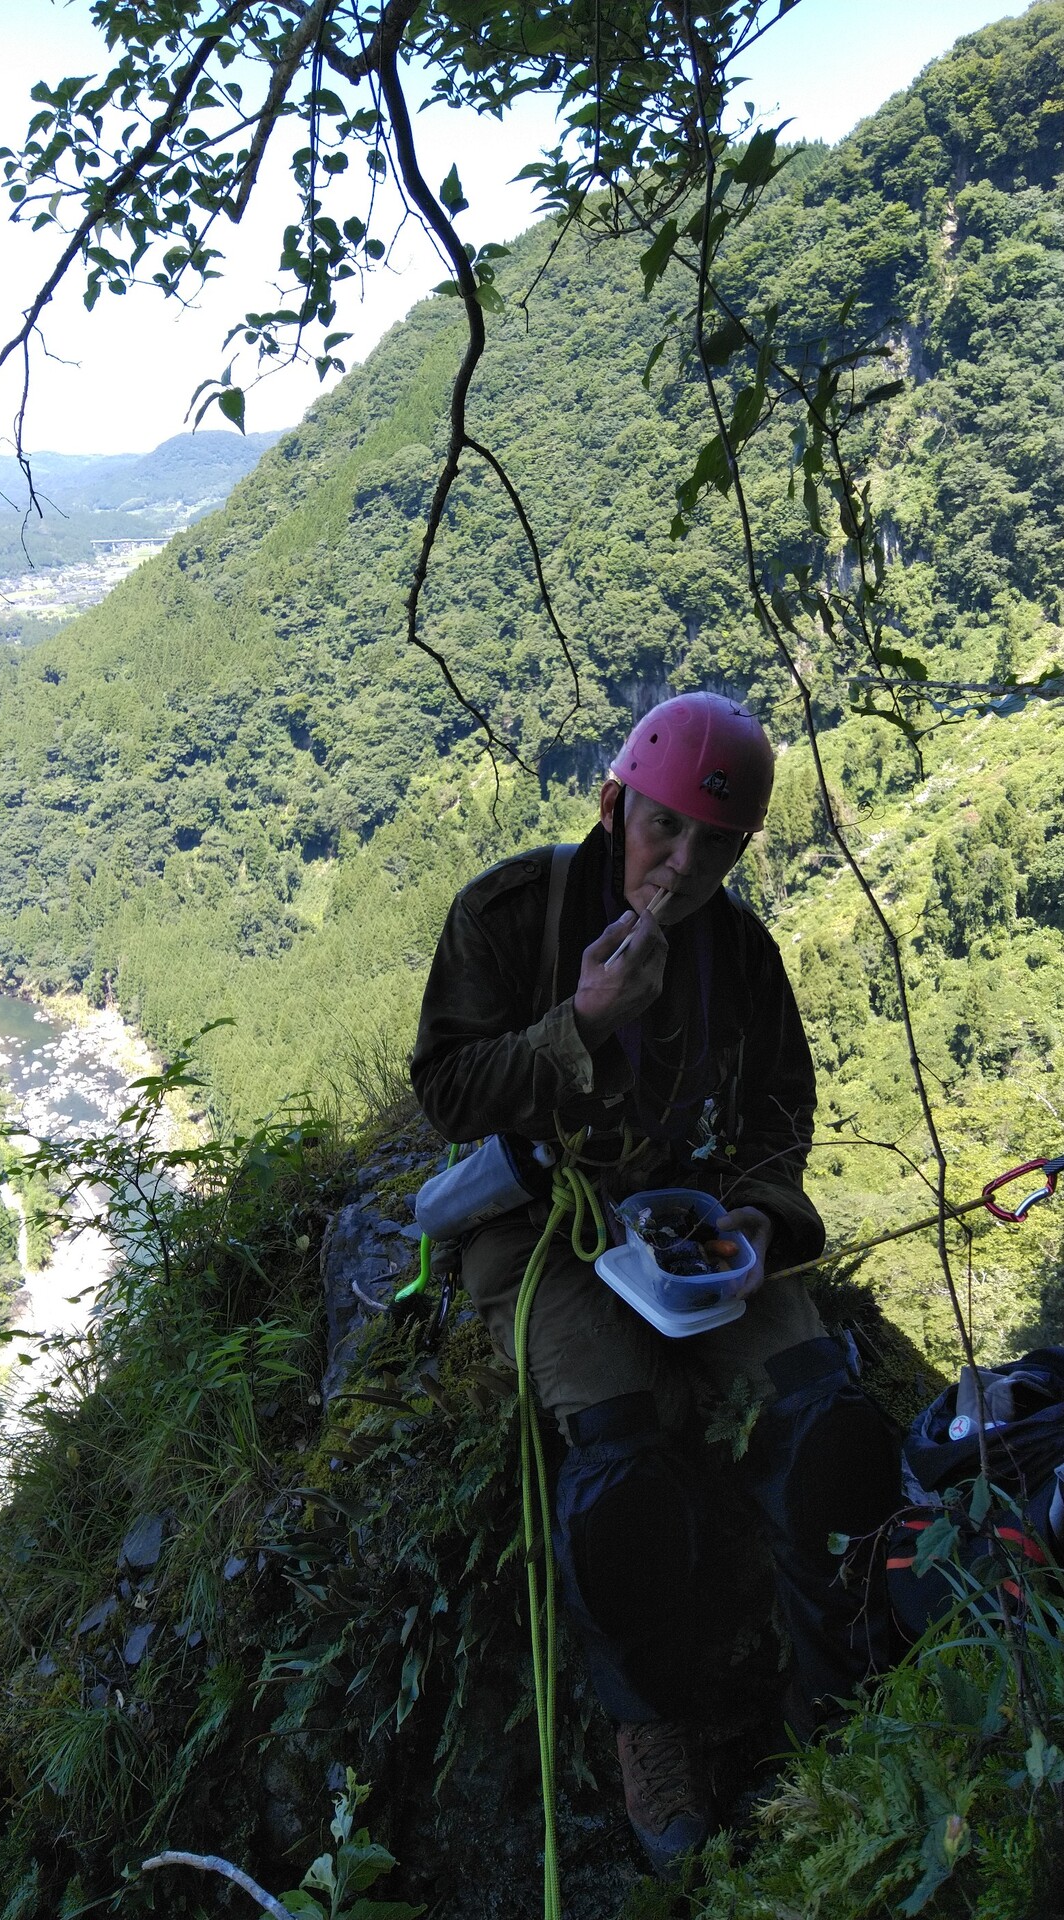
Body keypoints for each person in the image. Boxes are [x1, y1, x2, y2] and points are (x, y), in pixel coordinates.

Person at [411, 692, 898, 1873]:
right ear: (615, 802)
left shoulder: (738, 953)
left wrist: (761, 1216)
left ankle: (836, 1695)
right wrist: (575, 1024)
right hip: (544, 1227)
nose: (683, 866)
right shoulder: (513, 915)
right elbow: (449, 1092)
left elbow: (782, 1101)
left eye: (716, 846)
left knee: (825, 1409)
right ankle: (652, 1727)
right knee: (620, 1455)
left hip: (687, 1224)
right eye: (665, 830)